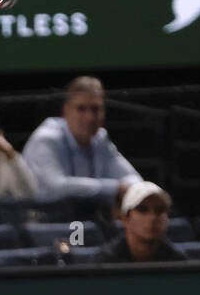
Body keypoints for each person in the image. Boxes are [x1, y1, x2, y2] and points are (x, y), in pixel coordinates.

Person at [22, 76, 143, 204]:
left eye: (96, 109)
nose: (90, 117)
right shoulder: (46, 138)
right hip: (42, 219)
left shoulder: (100, 138)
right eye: (81, 109)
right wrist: (115, 188)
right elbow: (57, 187)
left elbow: (134, 180)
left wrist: (131, 189)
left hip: (83, 219)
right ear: (66, 111)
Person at [98, 181, 185, 263]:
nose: (153, 217)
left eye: (159, 210)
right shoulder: (105, 261)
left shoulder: (179, 260)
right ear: (125, 218)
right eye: (142, 210)